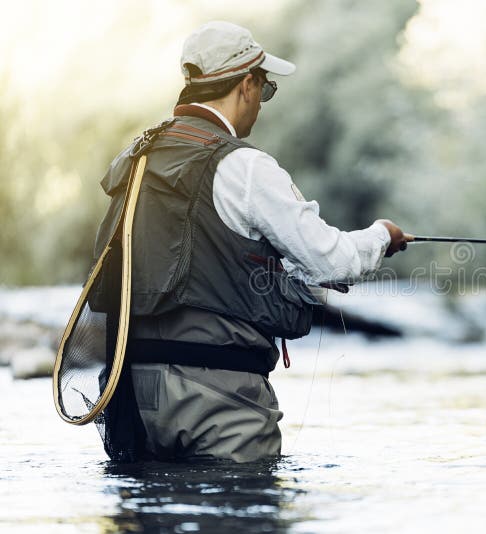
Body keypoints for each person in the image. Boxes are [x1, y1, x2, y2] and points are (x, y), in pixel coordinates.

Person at [93, 21, 411, 462]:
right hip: (219, 397)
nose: (262, 103)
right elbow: (332, 262)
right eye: (265, 89)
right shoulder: (244, 167)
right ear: (247, 84)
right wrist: (382, 236)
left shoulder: (137, 157)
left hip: (130, 392)